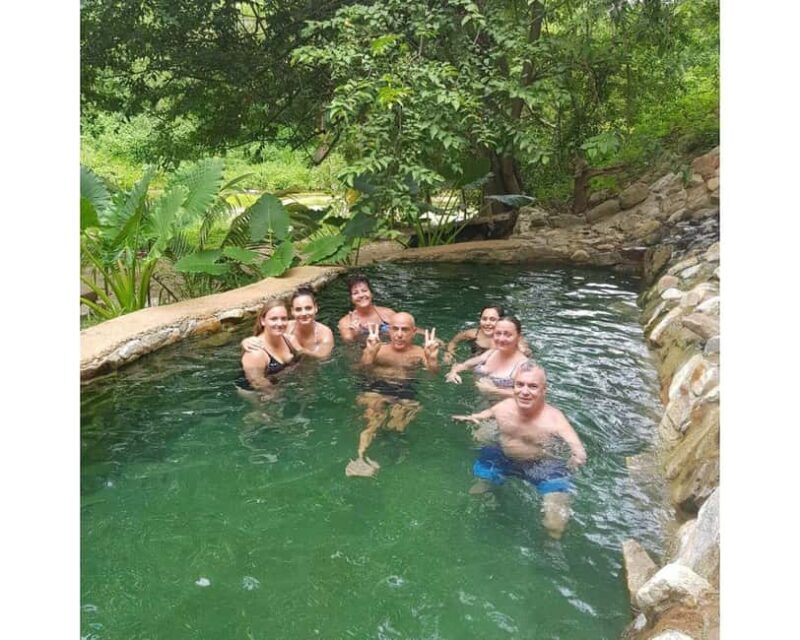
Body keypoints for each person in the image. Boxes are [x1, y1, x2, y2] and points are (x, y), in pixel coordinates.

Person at [452, 362, 587, 540]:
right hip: (502, 457)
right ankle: (468, 531)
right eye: (520, 384)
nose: (524, 391)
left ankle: (551, 546)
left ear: (544, 389)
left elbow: (577, 447)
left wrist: (577, 457)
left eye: (532, 386)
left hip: (542, 465)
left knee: (554, 523)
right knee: (476, 495)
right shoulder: (504, 406)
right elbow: (482, 416)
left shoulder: (554, 418)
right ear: (513, 387)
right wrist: (470, 419)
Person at [346, 312, 440, 477]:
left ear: (413, 331)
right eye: (395, 329)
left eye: (405, 329)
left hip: (404, 389)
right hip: (377, 387)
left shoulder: (420, 352)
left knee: (399, 424)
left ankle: (385, 456)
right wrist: (370, 353)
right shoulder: (378, 349)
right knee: (373, 420)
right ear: (389, 330)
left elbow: (433, 376)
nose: (399, 334)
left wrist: (432, 359)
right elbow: (361, 370)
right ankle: (360, 458)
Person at [445, 316, 530, 399]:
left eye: (507, 334)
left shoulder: (524, 365)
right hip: (477, 400)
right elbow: (465, 365)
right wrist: (453, 372)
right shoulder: (493, 352)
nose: (501, 339)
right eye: (498, 333)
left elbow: (529, 395)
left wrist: (493, 390)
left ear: (519, 337)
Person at [242, 287, 334, 359]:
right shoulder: (284, 326)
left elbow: (323, 357)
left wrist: (299, 350)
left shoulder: (324, 333)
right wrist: (246, 342)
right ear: (292, 311)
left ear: (316, 308)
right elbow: (264, 338)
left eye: (308, 308)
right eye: (298, 309)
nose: (304, 313)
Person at [238, 299, 299, 394]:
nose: (279, 323)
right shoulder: (255, 352)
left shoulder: (290, 340)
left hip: (279, 385)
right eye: (273, 319)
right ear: (263, 321)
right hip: (255, 393)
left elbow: (306, 356)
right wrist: (278, 395)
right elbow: (258, 383)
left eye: (283, 318)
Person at [443, 305, 532, 365]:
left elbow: (525, 354)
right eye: (484, 319)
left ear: (501, 321)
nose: (487, 323)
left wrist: (522, 351)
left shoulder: (512, 338)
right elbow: (454, 341)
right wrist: (449, 353)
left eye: (492, 319)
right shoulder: (473, 334)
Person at [338, 274, 397, 343]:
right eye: (355, 293)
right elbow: (348, 342)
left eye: (364, 290)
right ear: (351, 298)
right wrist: (355, 334)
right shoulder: (346, 322)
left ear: (371, 293)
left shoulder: (388, 314)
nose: (361, 295)